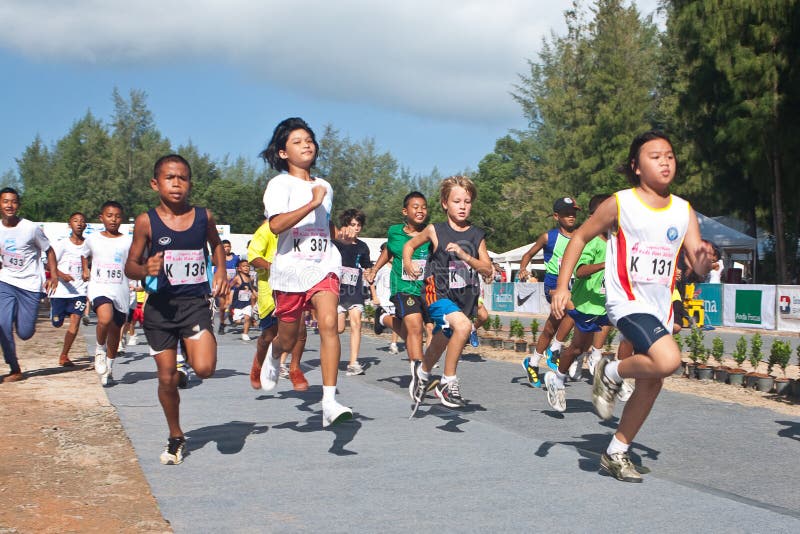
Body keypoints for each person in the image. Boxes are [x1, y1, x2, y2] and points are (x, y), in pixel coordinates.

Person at [551, 131, 711, 483]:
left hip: (660, 306)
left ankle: (616, 451)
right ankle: (609, 371)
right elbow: (579, 237)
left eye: (670, 155)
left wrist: (703, 260)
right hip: (626, 300)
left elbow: (697, 265)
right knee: (669, 360)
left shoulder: (684, 210)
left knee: (652, 381)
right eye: (655, 156)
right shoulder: (620, 203)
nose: (665, 161)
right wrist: (562, 286)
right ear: (637, 167)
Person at [125, 154, 228, 465]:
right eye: (170, 178)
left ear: (190, 184)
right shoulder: (146, 221)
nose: (176, 184)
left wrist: (221, 271)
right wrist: (145, 269)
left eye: (182, 178)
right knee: (167, 378)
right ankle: (175, 436)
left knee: (206, 369)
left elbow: (217, 245)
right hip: (160, 310)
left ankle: (192, 345)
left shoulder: (202, 217)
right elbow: (130, 265)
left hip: (194, 305)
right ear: (155, 184)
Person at [260, 117, 353, 428]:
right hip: (290, 270)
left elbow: (324, 225)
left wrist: (335, 235)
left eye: (309, 139)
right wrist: (310, 204)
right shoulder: (279, 184)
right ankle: (274, 355)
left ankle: (329, 401)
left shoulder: (325, 186)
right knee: (287, 338)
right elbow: (275, 226)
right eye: (297, 141)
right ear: (283, 152)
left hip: (323, 264)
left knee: (329, 323)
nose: (306, 145)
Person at [404, 176, 492, 409]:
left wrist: (465, 256)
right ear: (445, 203)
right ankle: (447, 382)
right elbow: (409, 245)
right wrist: (407, 262)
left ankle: (422, 374)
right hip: (437, 294)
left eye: (467, 201)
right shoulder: (435, 230)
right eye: (457, 201)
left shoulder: (477, 235)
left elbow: (486, 268)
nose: (462, 206)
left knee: (443, 339)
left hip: (464, 297)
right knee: (462, 327)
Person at [543, 194, 633, 411]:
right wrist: (605, 264)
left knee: (629, 333)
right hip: (587, 305)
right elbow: (580, 271)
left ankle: (618, 377)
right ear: (597, 216)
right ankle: (557, 380)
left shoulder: (619, 240)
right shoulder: (591, 241)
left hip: (610, 303)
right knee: (576, 348)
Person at [365, 191, 431, 372]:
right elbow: (389, 251)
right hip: (402, 287)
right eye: (415, 207)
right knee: (416, 327)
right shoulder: (394, 231)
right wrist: (375, 269)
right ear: (405, 211)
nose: (420, 211)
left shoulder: (430, 233)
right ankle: (419, 372)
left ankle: (384, 318)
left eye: (424, 207)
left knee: (414, 331)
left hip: (424, 289)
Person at [519, 197, 579, 387]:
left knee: (551, 328)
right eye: (566, 213)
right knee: (573, 309)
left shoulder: (581, 236)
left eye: (574, 212)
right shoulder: (548, 237)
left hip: (573, 284)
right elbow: (527, 254)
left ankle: (533, 362)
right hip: (553, 285)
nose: (571, 216)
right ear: (556, 216)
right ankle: (555, 349)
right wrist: (522, 269)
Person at [0, 187, 58, 382]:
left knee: (25, 332)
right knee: (2, 324)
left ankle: (20, 316)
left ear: (19, 205)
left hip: (30, 285)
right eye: (6, 201)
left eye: (14, 201)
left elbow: (49, 250)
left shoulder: (30, 228)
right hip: (5, 281)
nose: (10, 205)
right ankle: (14, 368)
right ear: (0, 204)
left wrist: (54, 276)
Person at [247, 219, 309, 392]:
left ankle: (295, 369)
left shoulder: (301, 227)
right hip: (271, 289)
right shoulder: (268, 228)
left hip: (296, 287)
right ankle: (258, 364)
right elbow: (253, 256)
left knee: (300, 330)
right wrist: (274, 267)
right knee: (269, 335)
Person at [85, 201, 132, 387]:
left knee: (115, 332)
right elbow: (84, 254)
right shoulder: (93, 239)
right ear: (101, 218)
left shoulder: (128, 240)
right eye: (109, 215)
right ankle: (99, 350)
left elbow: (136, 261)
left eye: (117, 216)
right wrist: (85, 269)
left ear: (122, 219)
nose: (113, 219)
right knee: (104, 318)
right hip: (99, 287)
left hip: (120, 289)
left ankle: (110, 368)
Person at [333, 209, 373, 376]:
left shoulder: (363, 247)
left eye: (359, 225)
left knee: (356, 323)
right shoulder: (335, 243)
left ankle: (353, 362)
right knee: (339, 328)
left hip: (354, 290)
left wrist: (371, 273)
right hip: (337, 289)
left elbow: (367, 266)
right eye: (352, 225)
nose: (356, 228)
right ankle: (331, 353)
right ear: (345, 225)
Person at [50, 212, 90, 367]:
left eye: (82, 221)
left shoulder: (88, 245)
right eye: (75, 221)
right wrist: (61, 274)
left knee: (75, 320)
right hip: (61, 291)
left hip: (79, 290)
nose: (79, 223)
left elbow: (89, 261)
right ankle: (54, 314)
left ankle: (64, 355)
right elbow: (50, 264)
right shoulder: (62, 244)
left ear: (85, 225)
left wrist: (87, 270)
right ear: (69, 224)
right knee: (57, 323)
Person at [369, 243, 400, 354]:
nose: (391, 256)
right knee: (385, 326)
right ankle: (380, 319)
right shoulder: (381, 268)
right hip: (383, 301)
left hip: (395, 299)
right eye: (389, 254)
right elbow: (371, 282)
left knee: (397, 320)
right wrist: (374, 296)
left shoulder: (398, 267)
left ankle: (393, 344)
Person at [229, 258, 257, 341]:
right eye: (244, 266)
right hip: (237, 303)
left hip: (247, 303)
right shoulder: (237, 278)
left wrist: (255, 294)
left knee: (247, 317)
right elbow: (229, 286)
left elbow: (251, 288)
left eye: (248, 266)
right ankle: (231, 316)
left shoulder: (250, 278)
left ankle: (245, 334)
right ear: (239, 268)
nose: (246, 268)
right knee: (238, 321)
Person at [216, 239, 239, 335]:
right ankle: (222, 323)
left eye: (228, 246)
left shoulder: (235, 258)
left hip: (232, 285)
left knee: (229, 303)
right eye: (224, 247)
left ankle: (230, 314)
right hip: (222, 285)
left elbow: (239, 269)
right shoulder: (219, 258)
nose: (226, 248)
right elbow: (216, 271)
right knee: (222, 306)